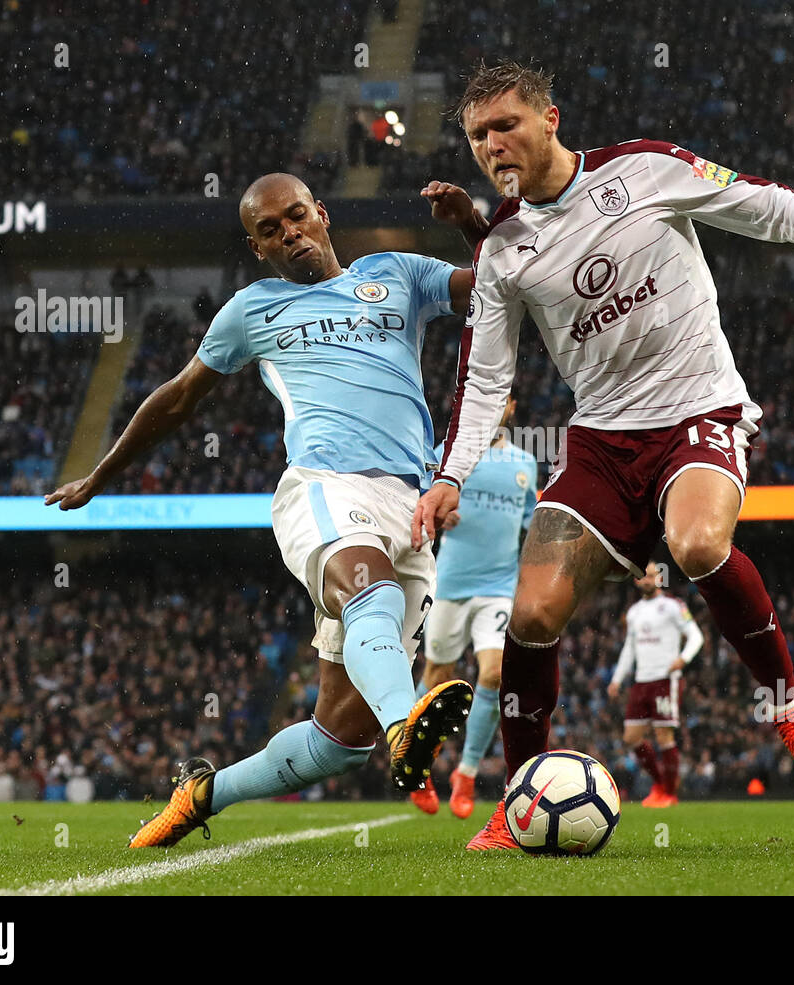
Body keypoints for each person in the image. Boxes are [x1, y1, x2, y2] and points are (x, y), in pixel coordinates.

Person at [412, 61, 794, 849]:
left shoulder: (645, 168)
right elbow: (485, 380)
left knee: (696, 543)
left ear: (551, 119)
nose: (492, 143)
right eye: (478, 135)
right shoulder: (504, 252)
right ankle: (520, 802)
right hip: (600, 439)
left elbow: (762, 205)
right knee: (531, 613)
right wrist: (450, 476)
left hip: (699, 410)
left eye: (506, 124)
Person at [47, 173, 477, 847]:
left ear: (322, 214)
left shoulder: (399, 273)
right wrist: (101, 474)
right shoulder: (253, 309)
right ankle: (406, 725)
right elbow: (180, 397)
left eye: (297, 216)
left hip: (411, 504)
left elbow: (496, 285)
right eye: (271, 229)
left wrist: (471, 225)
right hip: (326, 486)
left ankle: (202, 793)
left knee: (338, 739)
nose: (290, 233)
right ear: (258, 247)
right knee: (370, 591)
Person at [410, 395, 537, 817]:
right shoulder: (446, 456)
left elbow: (528, 526)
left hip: (498, 586)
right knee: (436, 675)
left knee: (496, 671)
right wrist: (435, 516)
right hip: (449, 582)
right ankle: (418, 763)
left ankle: (465, 774)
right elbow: (416, 506)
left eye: (501, 400)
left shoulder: (524, 463)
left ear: (511, 408)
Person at [607, 562, 704, 806]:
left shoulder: (673, 606)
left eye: (652, 575)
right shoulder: (634, 612)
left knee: (664, 736)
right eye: (644, 576)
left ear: (660, 578)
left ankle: (669, 793)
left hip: (664, 678)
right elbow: (629, 649)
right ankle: (660, 782)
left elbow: (696, 635)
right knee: (631, 738)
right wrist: (617, 679)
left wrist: (683, 659)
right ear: (637, 581)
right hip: (641, 681)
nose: (648, 580)